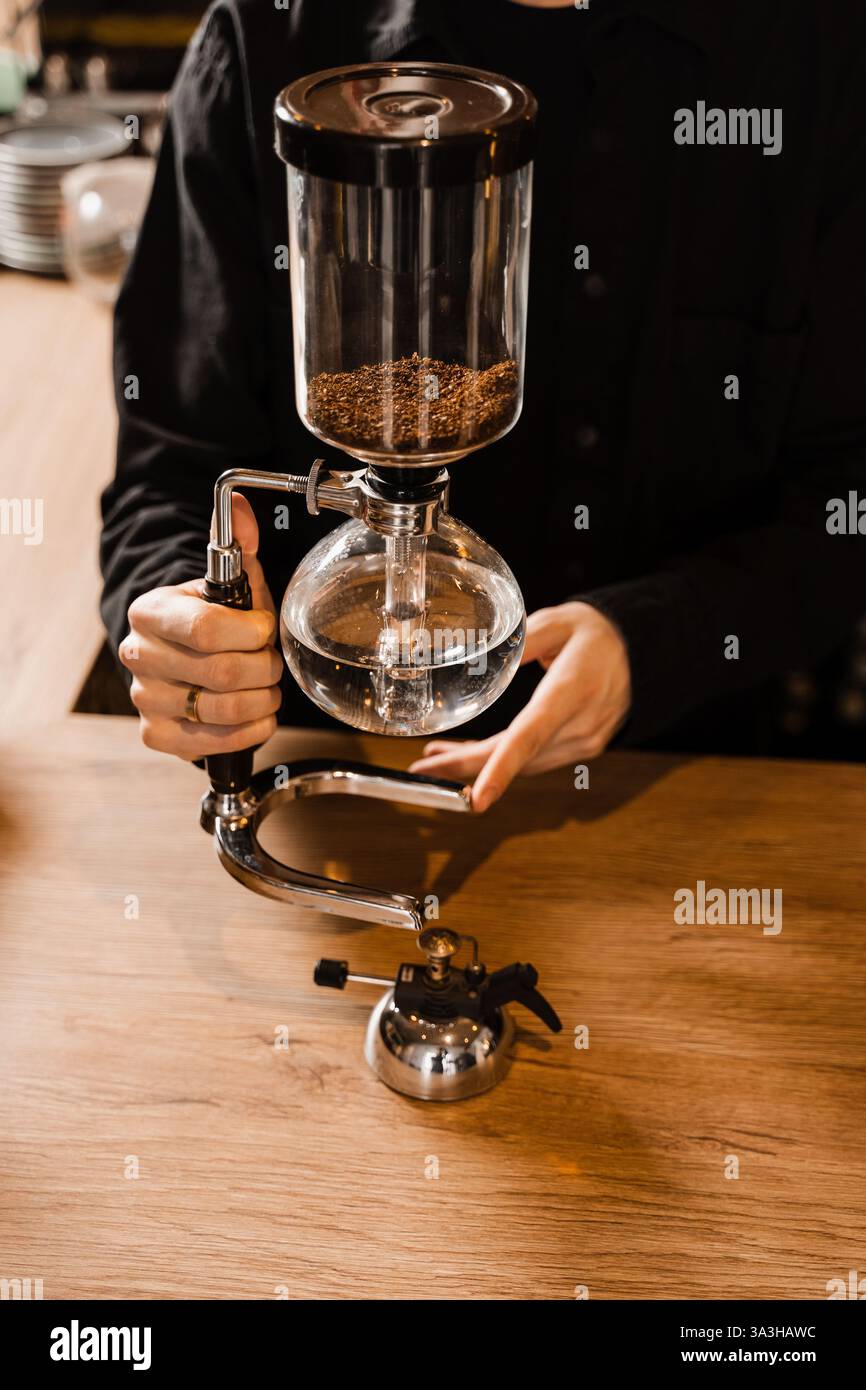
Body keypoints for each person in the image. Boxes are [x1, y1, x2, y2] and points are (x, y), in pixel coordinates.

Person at [101, 0, 866, 810]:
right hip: (323, 783)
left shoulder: (818, 55)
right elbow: (166, 470)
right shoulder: (266, 37)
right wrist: (187, 638)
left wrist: (657, 638)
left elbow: (847, 494)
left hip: (678, 783)